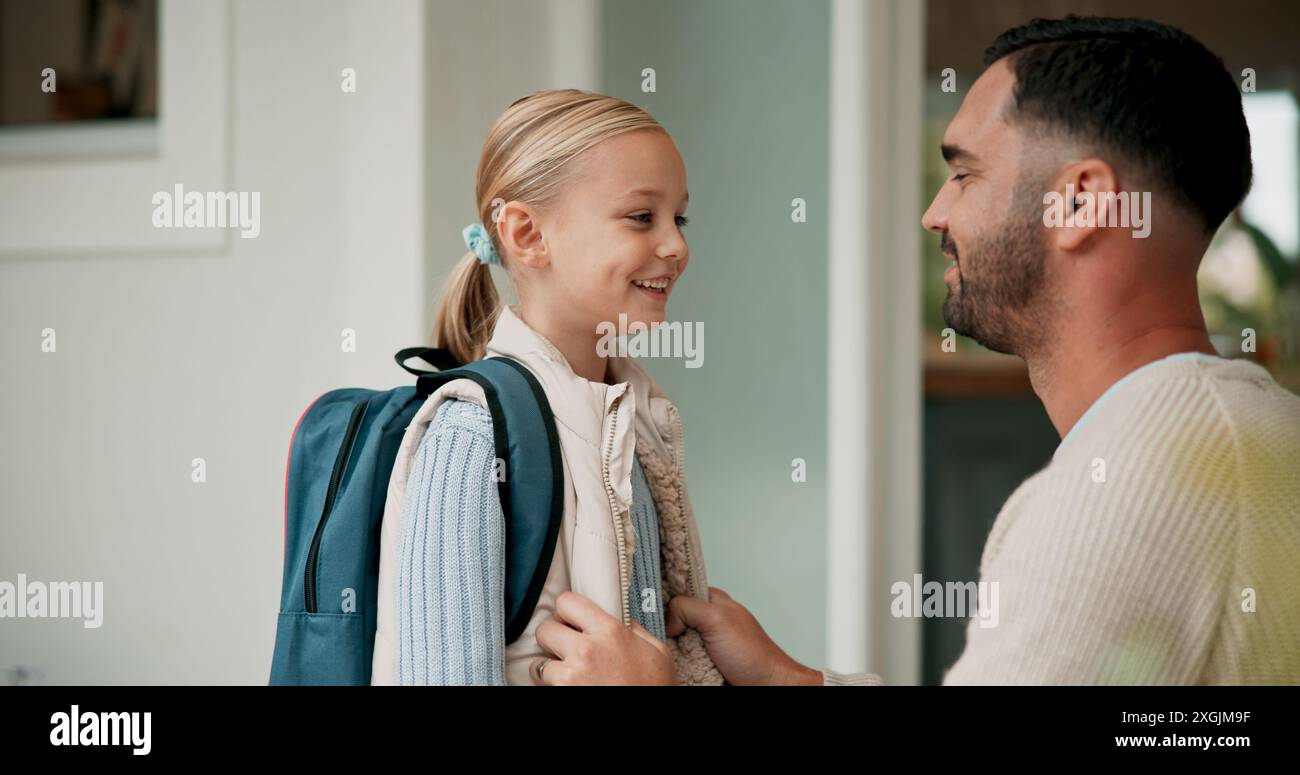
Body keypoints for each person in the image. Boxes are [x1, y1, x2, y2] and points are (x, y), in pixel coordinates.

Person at [531, 16, 1300, 685]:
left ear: (1081, 202)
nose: (935, 212)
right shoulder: (1249, 433)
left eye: (963, 172)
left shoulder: (1128, 488)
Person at [368, 89, 724, 685]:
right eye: (643, 217)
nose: (677, 246)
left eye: (678, 218)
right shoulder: (472, 439)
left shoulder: (632, 424)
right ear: (528, 235)